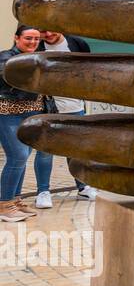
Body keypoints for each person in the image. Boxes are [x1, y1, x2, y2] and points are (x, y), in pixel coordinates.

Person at [38, 30, 97, 203]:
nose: (47, 34)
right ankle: (43, 192)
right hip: (46, 108)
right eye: (42, 31)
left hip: (74, 107)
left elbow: (89, 70)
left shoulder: (78, 43)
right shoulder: (36, 45)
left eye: (51, 29)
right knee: (45, 152)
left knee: (76, 150)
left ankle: (83, 187)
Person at [0, 25, 51, 219]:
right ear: (16, 38)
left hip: (31, 114)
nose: (33, 42)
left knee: (22, 158)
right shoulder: (6, 57)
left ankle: (15, 201)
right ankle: (4, 205)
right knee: (18, 156)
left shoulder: (36, 57)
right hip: (8, 114)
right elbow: (10, 77)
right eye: (28, 38)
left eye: (36, 39)